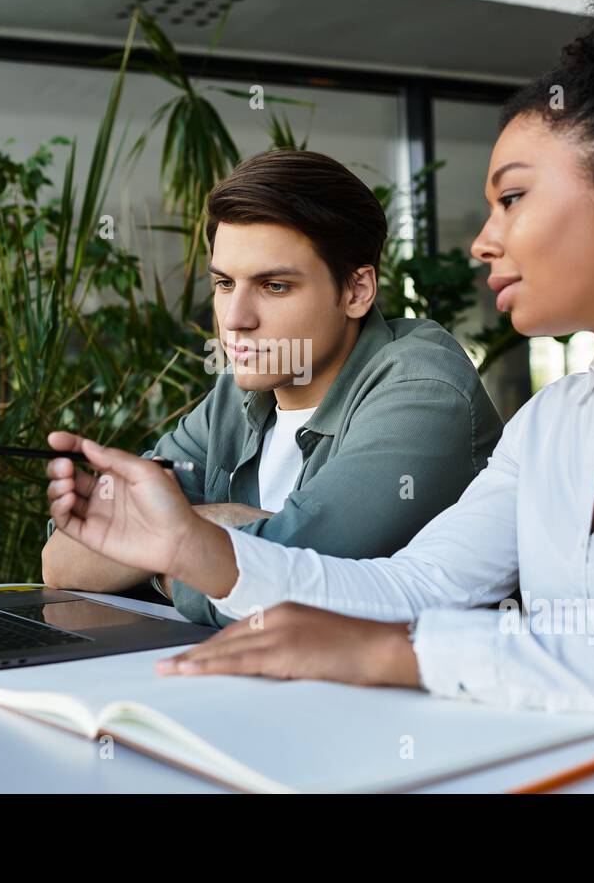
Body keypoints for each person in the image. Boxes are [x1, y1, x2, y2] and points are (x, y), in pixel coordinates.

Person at [44, 0, 594, 722]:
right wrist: (197, 549)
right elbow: (413, 589)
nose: (486, 242)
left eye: (513, 197)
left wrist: (395, 655)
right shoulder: (552, 425)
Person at [42, 148, 503, 627]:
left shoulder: (422, 389)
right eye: (224, 284)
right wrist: (221, 524)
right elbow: (67, 555)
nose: (235, 320)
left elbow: (286, 591)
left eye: (274, 286)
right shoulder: (237, 393)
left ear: (356, 290)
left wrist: (171, 550)